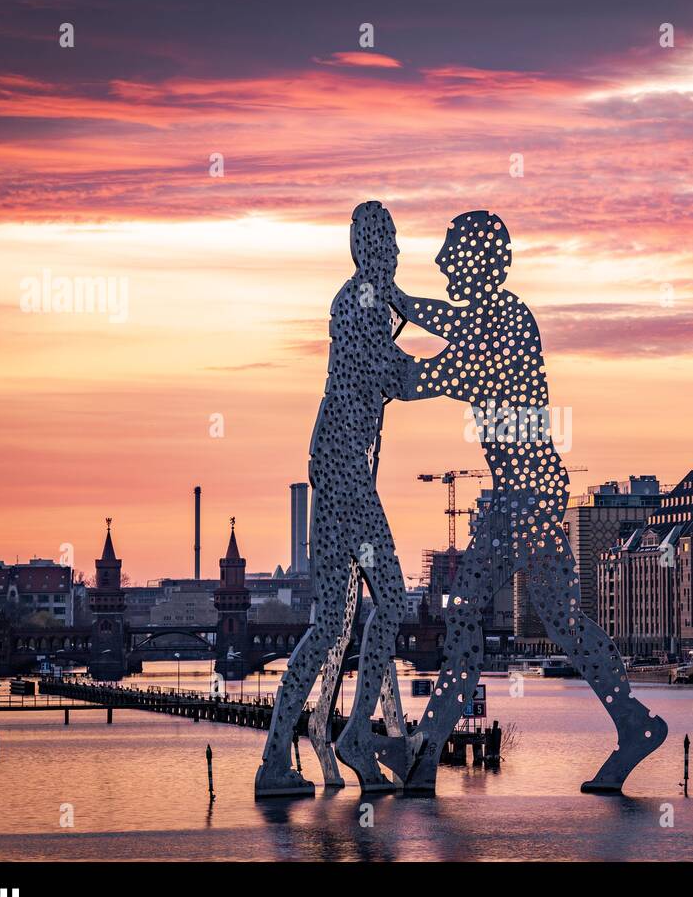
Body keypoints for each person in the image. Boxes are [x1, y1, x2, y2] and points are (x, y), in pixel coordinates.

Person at [388, 210, 667, 794]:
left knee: (465, 611)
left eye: (450, 252)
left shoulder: (506, 321)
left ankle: (424, 754)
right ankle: (631, 723)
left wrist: (378, 353)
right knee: (558, 621)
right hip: (522, 494)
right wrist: (397, 298)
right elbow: (446, 322)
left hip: (525, 495)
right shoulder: (495, 318)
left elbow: (429, 375)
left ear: (478, 260)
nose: (441, 263)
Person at [255, 201, 409, 797]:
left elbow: (386, 369)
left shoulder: (361, 300)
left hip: (339, 473)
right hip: (346, 479)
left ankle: (278, 761)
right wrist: (464, 367)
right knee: (389, 602)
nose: (394, 251)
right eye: (385, 241)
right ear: (364, 248)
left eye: (393, 241)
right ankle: (356, 740)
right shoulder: (363, 302)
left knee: (331, 627)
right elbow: (396, 375)